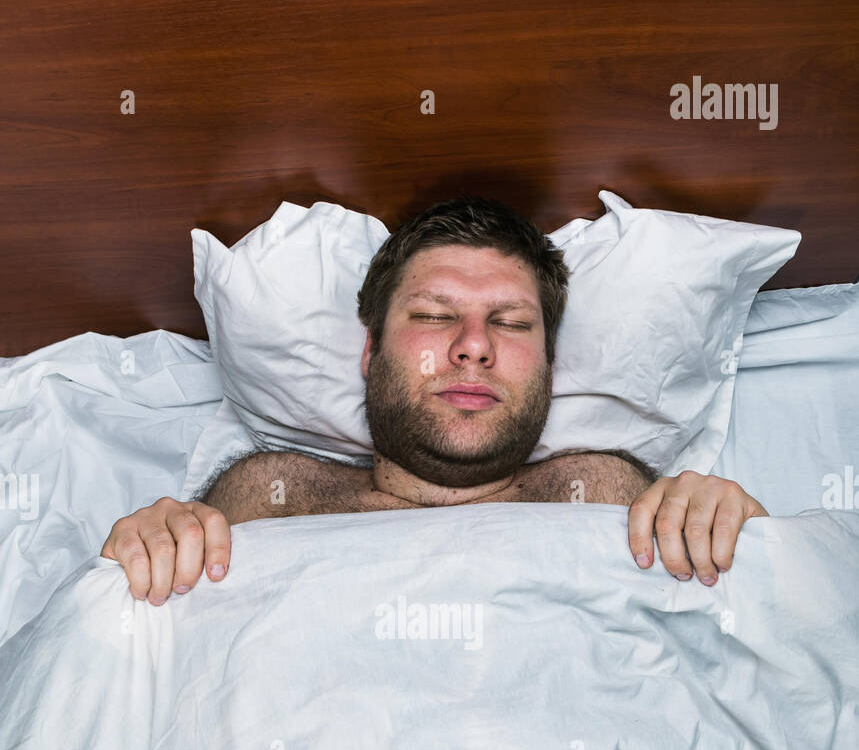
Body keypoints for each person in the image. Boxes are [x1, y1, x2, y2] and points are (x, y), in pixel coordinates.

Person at [102, 197, 767, 604]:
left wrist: (739, 531)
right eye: (432, 315)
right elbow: (163, 653)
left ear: (548, 365)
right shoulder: (271, 494)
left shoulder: (605, 490)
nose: (473, 346)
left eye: (508, 323)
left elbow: (760, 640)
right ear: (370, 355)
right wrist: (142, 553)